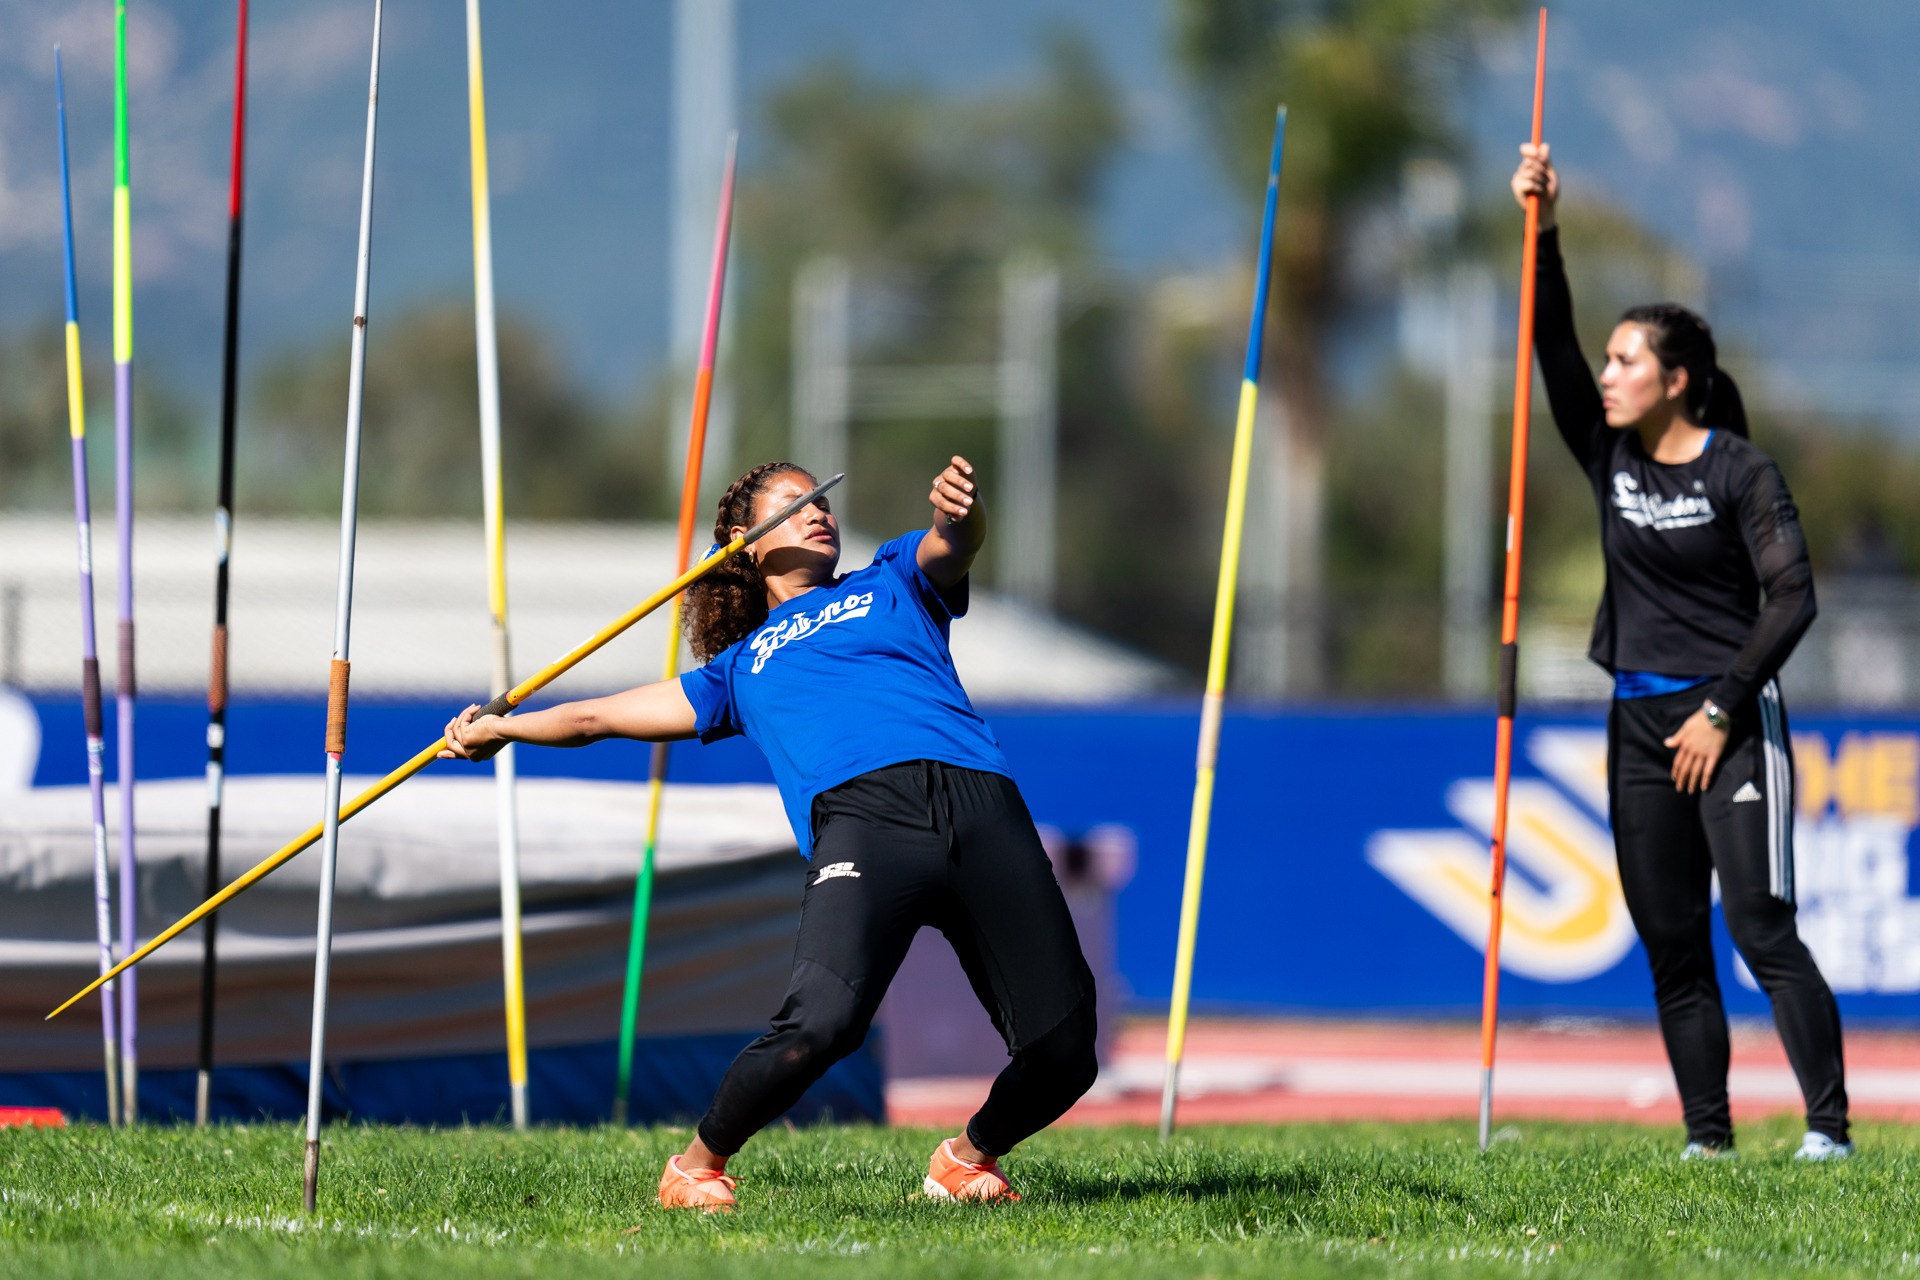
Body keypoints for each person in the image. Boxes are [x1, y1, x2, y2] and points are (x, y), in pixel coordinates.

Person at [441, 456, 1098, 1208]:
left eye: (822, 500)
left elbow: (954, 544)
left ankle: (965, 1158)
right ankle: (695, 1165)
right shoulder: (739, 668)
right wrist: (506, 728)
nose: (820, 511)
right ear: (744, 543)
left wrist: (960, 515)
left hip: (982, 802)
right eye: (795, 504)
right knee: (819, 1026)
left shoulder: (891, 581)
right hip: (864, 820)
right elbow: (595, 718)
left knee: (1066, 1051)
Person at [1512, 143, 1850, 1160]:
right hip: (1636, 722)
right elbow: (1552, 348)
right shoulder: (1607, 449)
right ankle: (1710, 1140)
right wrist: (1544, 229)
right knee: (1672, 945)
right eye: (1610, 360)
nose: (1608, 375)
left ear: (1680, 380)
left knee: (1760, 928)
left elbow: (1794, 596)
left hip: (1732, 717)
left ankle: (1828, 1131)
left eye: (1629, 361)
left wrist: (1720, 709)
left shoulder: (1743, 471)